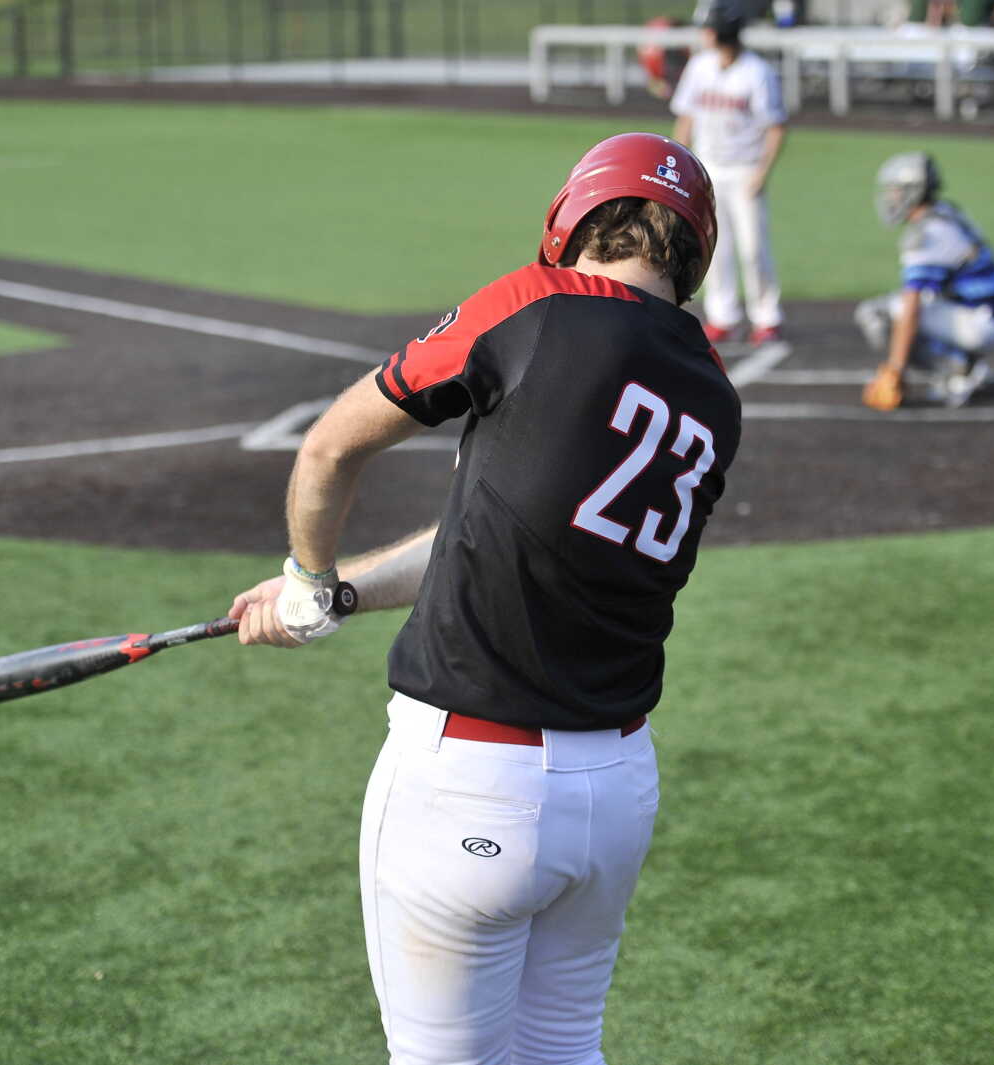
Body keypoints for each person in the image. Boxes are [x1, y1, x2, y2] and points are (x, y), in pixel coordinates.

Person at [227, 132, 741, 1065]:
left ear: (573, 218)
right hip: (616, 792)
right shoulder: (713, 395)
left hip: (470, 779)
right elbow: (497, 535)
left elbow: (331, 447)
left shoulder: (537, 301)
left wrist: (304, 577)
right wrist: (340, 596)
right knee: (563, 1053)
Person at [670, 4, 789, 345]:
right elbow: (686, 118)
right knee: (713, 248)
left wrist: (762, 173)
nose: (703, 34)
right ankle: (723, 315)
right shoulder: (700, 66)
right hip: (708, 172)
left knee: (753, 248)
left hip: (745, 171)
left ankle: (766, 316)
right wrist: (683, 163)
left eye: (707, 28)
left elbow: (776, 127)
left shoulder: (756, 72)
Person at [856, 151, 994, 410]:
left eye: (895, 190)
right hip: (987, 314)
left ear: (913, 191)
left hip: (977, 321)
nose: (889, 197)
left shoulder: (928, 233)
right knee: (906, 303)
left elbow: (912, 304)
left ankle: (956, 369)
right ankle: (960, 361)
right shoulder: (946, 212)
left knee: (878, 314)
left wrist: (896, 369)